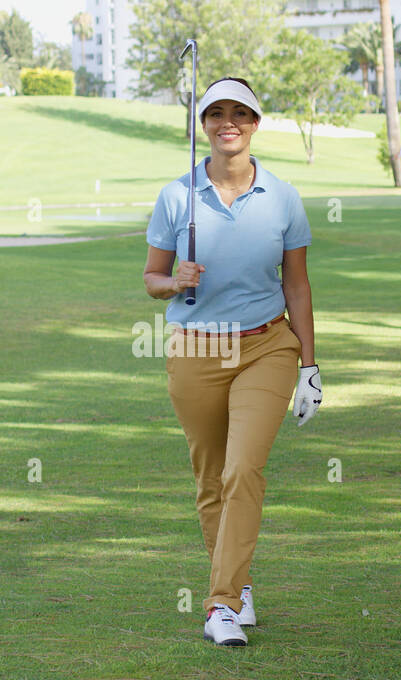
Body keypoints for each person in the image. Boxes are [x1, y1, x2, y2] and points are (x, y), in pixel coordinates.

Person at [142, 77, 322, 647]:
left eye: (239, 113)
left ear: (255, 124)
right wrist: (175, 281)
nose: (228, 122)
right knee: (211, 479)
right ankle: (238, 584)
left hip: (267, 344)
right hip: (197, 346)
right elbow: (151, 279)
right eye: (215, 113)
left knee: (243, 468)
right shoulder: (177, 196)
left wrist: (310, 367)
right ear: (204, 125)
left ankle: (220, 605)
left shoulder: (283, 196)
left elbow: (297, 284)